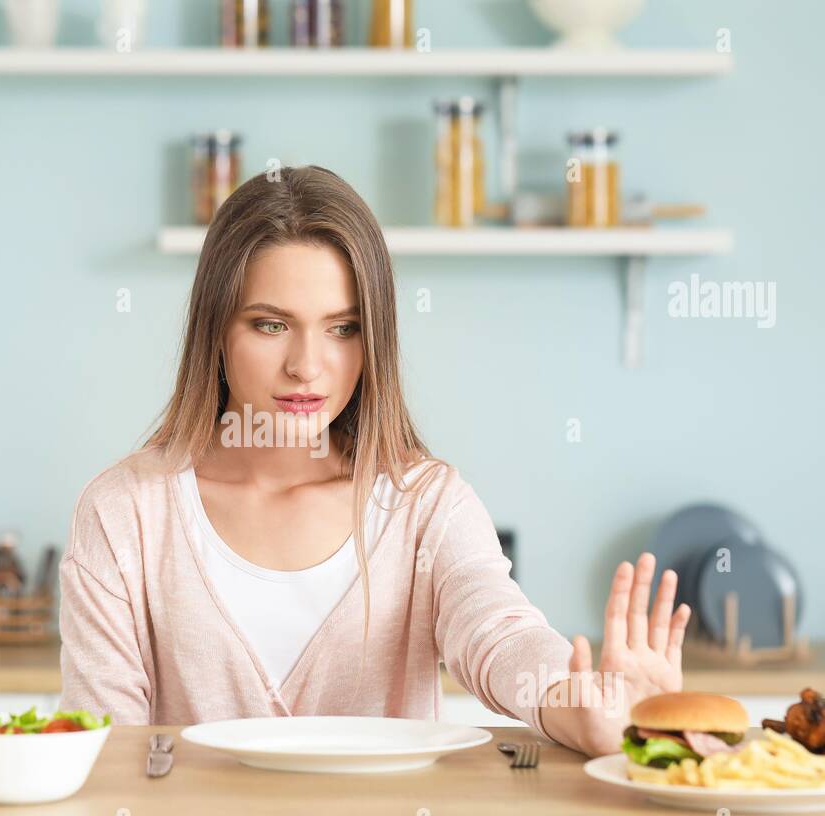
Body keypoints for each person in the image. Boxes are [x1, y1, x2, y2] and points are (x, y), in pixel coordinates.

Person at [59, 165, 689, 756]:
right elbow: (109, 760)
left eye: (343, 328)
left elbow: (499, 632)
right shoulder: (124, 514)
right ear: (216, 331)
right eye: (271, 325)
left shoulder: (426, 504)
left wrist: (574, 702)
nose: (307, 366)